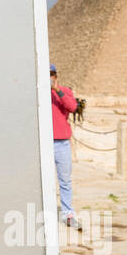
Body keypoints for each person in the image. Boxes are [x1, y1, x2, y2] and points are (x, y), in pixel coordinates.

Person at [49, 63, 80, 231]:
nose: (49, 77)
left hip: (61, 143)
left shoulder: (65, 91)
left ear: (55, 76)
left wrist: (57, 90)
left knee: (65, 180)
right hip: (43, 143)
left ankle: (68, 214)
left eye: (51, 74)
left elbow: (72, 107)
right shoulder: (37, 94)